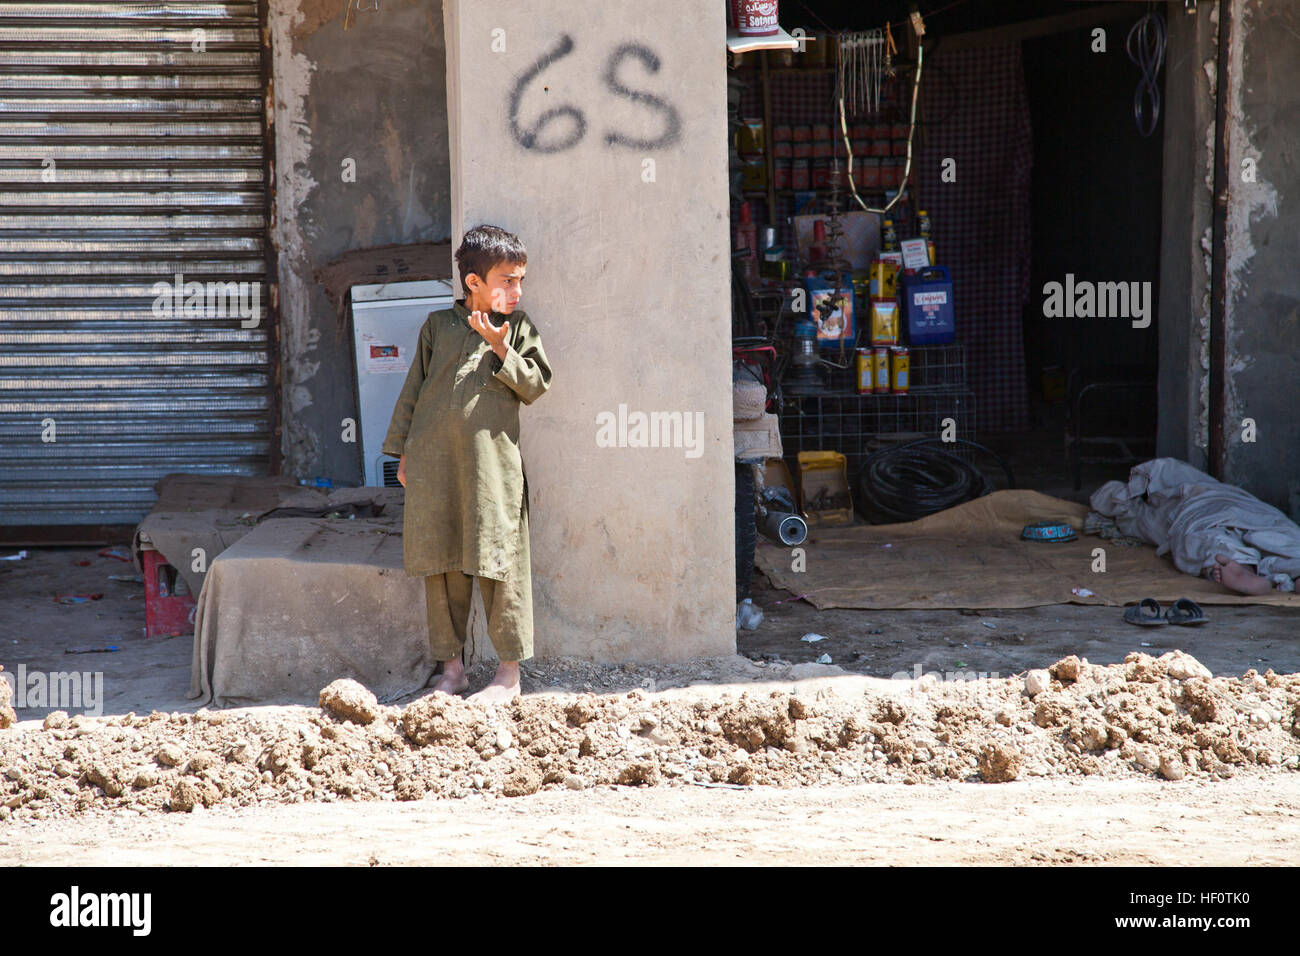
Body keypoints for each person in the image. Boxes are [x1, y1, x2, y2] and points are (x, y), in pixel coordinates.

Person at [382, 225, 553, 703]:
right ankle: (452, 670)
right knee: (442, 565)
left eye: (520, 281)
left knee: (500, 564)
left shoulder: (518, 329)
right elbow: (414, 390)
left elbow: (536, 386)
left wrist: (500, 346)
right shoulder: (438, 327)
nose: (516, 291)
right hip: (435, 468)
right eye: (507, 280)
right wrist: (401, 451)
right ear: (473, 282)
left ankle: (508, 675)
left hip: (492, 473)